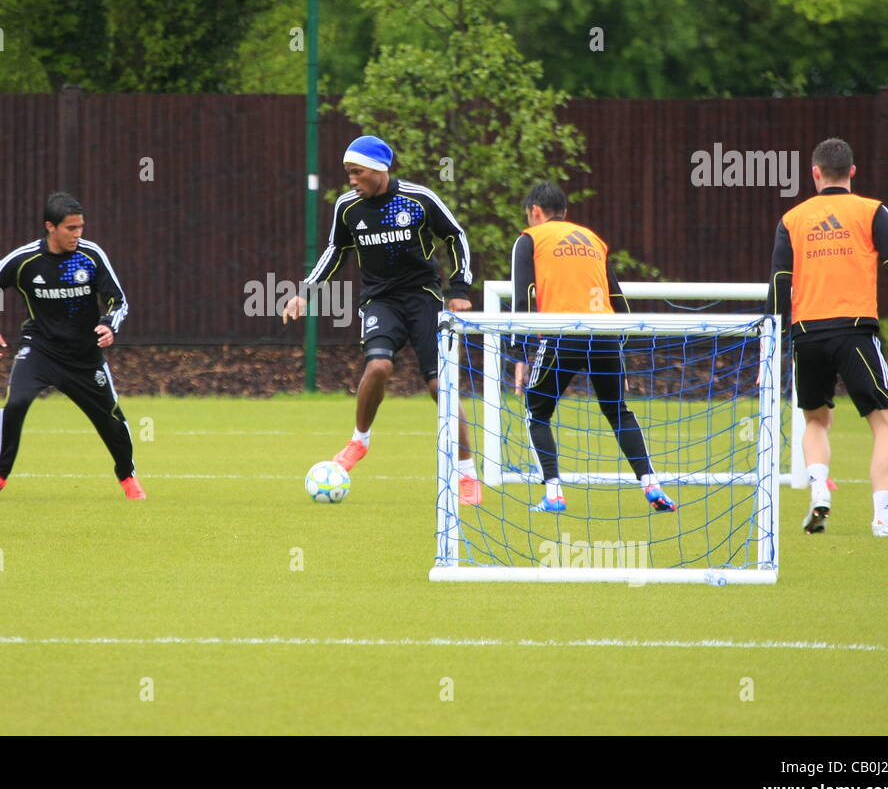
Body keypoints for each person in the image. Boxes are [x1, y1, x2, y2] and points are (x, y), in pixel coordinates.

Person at [281, 135, 482, 504]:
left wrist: (460, 289)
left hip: (424, 298)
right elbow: (335, 251)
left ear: (378, 170)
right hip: (379, 301)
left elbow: (455, 236)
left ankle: (468, 473)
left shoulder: (418, 199)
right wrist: (305, 291)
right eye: (347, 173)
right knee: (378, 367)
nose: (351, 180)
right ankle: (359, 440)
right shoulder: (347, 207)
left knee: (440, 386)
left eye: (356, 172)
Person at [765, 138, 888, 536]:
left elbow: (779, 283)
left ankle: (819, 496)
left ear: (815, 173)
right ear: (852, 172)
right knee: (885, 424)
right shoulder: (872, 211)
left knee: (815, 420)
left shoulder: (792, 218)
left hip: (806, 334)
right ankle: (882, 516)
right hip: (855, 331)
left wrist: (771, 345)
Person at [511, 181, 676, 514]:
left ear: (535, 212)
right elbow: (618, 300)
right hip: (605, 335)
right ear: (566, 213)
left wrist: (520, 355)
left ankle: (554, 493)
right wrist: (621, 350)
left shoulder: (529, 239)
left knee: (537, 412)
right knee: (618, 412)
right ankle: (651, 484)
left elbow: (524, 296)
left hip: (560, 336)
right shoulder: (592, 240)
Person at [0, 192, 145, 500]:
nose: (78, 235)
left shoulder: (90, 256)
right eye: (70, 229)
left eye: (80, 228)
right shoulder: (25, 260)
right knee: (16, 403)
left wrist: (109, 324)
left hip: (84, 355)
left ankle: (128, 478)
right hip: (40, 350)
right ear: (50, 226)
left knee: (110, 418)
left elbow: (119, 300)